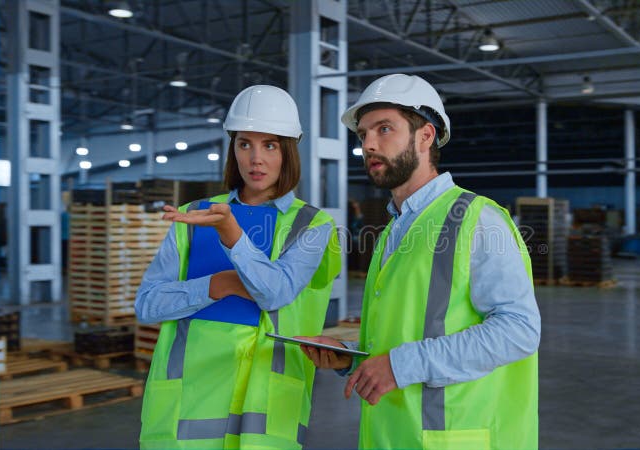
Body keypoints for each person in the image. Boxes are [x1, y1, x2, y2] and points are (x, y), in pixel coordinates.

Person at [299, 74, 541, 449]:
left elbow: (519, 330)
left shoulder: (478, 219)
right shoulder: (395, 229)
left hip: (455, 438)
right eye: (363, 134)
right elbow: (408, 329)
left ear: (425, 136)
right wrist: (351, 359)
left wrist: (400, 365)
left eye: (384, 129)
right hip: (392, 435)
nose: (370, 145)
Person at [135, 85, 341, 449]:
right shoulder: (196, 215)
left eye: (270, 145)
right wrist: (218, 285)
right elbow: (147, 305)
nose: (255, 159)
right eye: (245, 143)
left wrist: (232, 234)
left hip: (265, 405)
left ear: (288, 151)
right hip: (188, 406)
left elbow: (275, 293)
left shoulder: (312, 225)